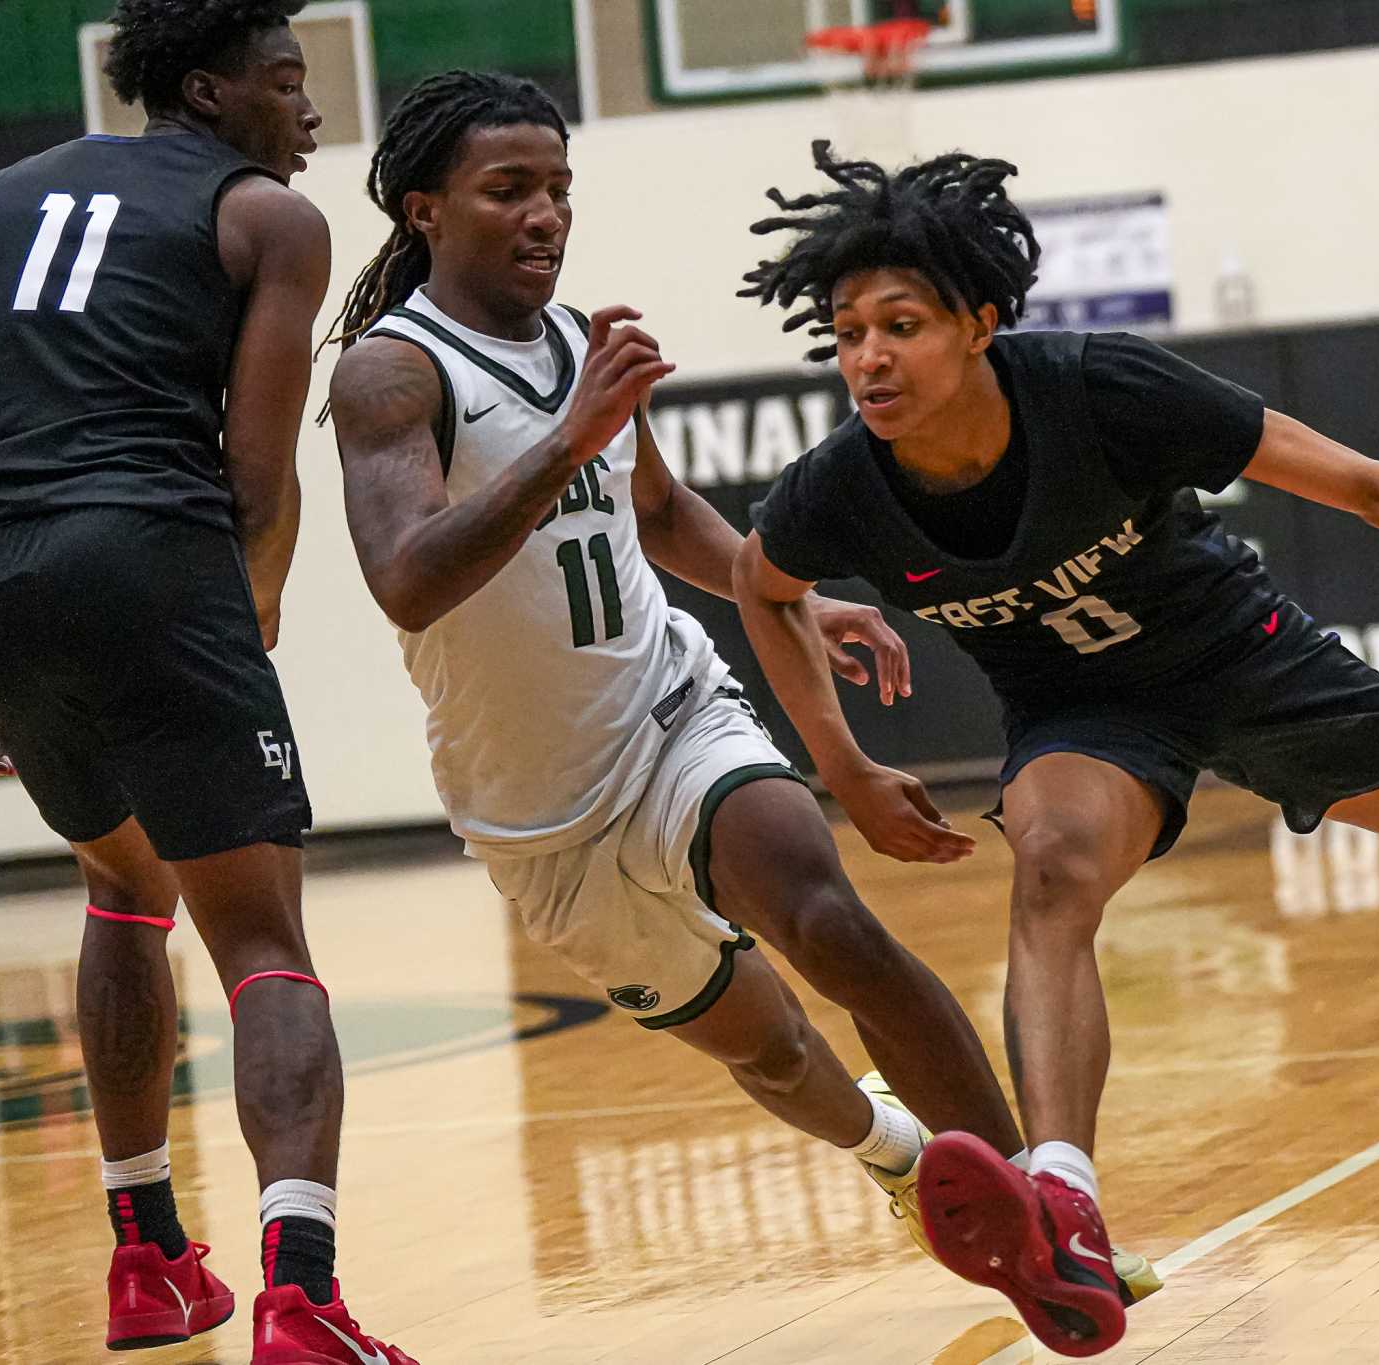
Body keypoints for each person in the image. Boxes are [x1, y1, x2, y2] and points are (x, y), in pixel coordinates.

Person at [733, 142, 1379, 1357]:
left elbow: (1366, 485)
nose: (868, 358)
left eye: (901, 325)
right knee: (1048, 872)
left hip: (1245, 657)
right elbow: (762, 585)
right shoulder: (839, 487)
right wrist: (839, 768)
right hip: (1081, 716)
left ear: (981, 322)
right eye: (846, 334)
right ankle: (1065, 1202)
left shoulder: (1105, 390)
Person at [322, 72, 1159, 1302]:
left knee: (827, 916)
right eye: (510, 191)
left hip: (667, 712)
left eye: (559, 189)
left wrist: (795, 594)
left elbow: (655, 511)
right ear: (423, 209)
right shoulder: (390, 376)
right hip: (533, 806)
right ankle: (897, 1155)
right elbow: (405, 579)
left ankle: (1044, 1216)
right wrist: (567, 435)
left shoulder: (572, 344)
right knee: (767, 1050)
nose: (546, 215)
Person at [0, 3, 416, 1361]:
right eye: (287, 85)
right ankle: (302, 1293)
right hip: (144, 550)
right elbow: (253, 475)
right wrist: (253, 602)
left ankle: (149, 1261)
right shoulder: (268, 220)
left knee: (125, 887)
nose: (308, 114)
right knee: (261, 940)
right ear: (206, 91)